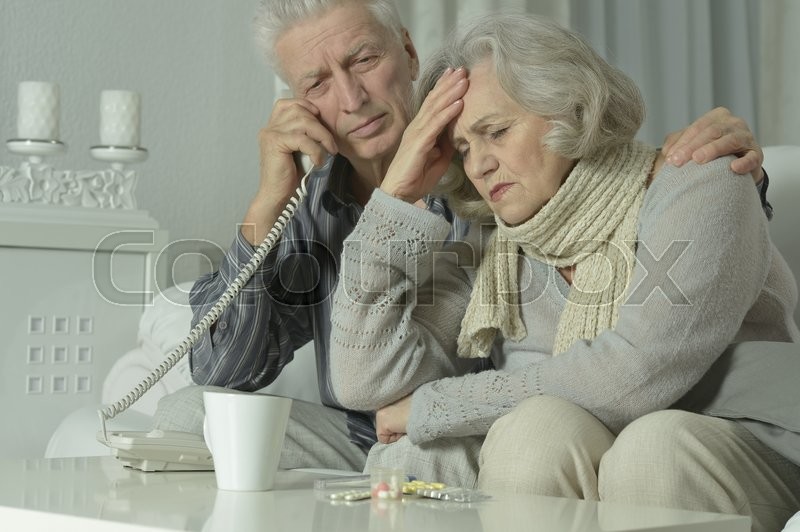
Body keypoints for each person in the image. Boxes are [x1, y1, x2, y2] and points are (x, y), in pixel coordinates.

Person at [161, 0, 770, 474]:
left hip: (480, 428)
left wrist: (732, 179)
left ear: (406, 51)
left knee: (471, 450)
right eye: (318, 83)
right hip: (371, 426)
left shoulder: (486, 198)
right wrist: (270, 204)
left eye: (364, 60)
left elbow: (612, 190)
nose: (352, 98)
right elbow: (222, 369)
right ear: (298, 101)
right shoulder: (311, 203)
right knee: (188, 416)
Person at [327, 12, 800, 531]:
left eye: (497, 131)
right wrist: (394, 196)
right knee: (534, 433)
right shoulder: (494, 246)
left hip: (742, 446)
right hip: (581, 452)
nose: (479, 165)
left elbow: (635, 375)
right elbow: (363, 382)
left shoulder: (703, 183)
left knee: (652, 447)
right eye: (464, 148)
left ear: (571, 107)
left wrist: (435, 405)